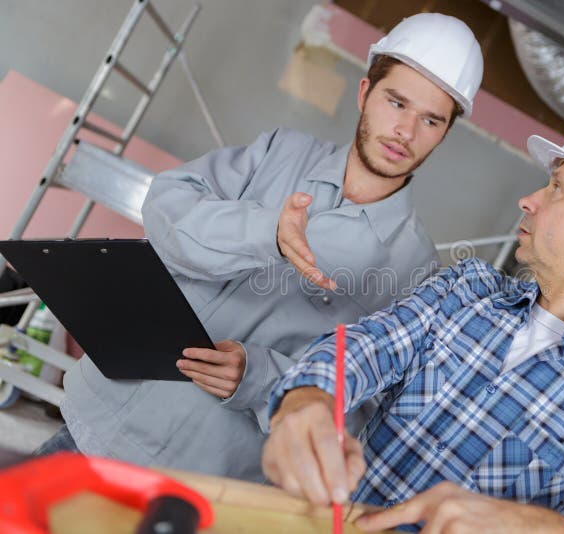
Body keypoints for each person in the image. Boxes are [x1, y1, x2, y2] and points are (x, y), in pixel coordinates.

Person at [36, 13, 484, 483]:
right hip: (104, 422)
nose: (406, 132)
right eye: (396, 102)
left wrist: (259, 380)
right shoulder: (279, 152)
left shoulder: (419, 272)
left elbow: (366, 413)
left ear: (444, 133)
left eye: (431, 120)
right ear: (365, 92)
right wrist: (265, 233)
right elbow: (167, 206)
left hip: (204, 478)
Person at [262, 115, 564, 532]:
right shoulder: (467, 289)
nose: (529, 199)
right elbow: (365, 348)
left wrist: (538, 527)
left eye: (556, 187)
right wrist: (308, 399)